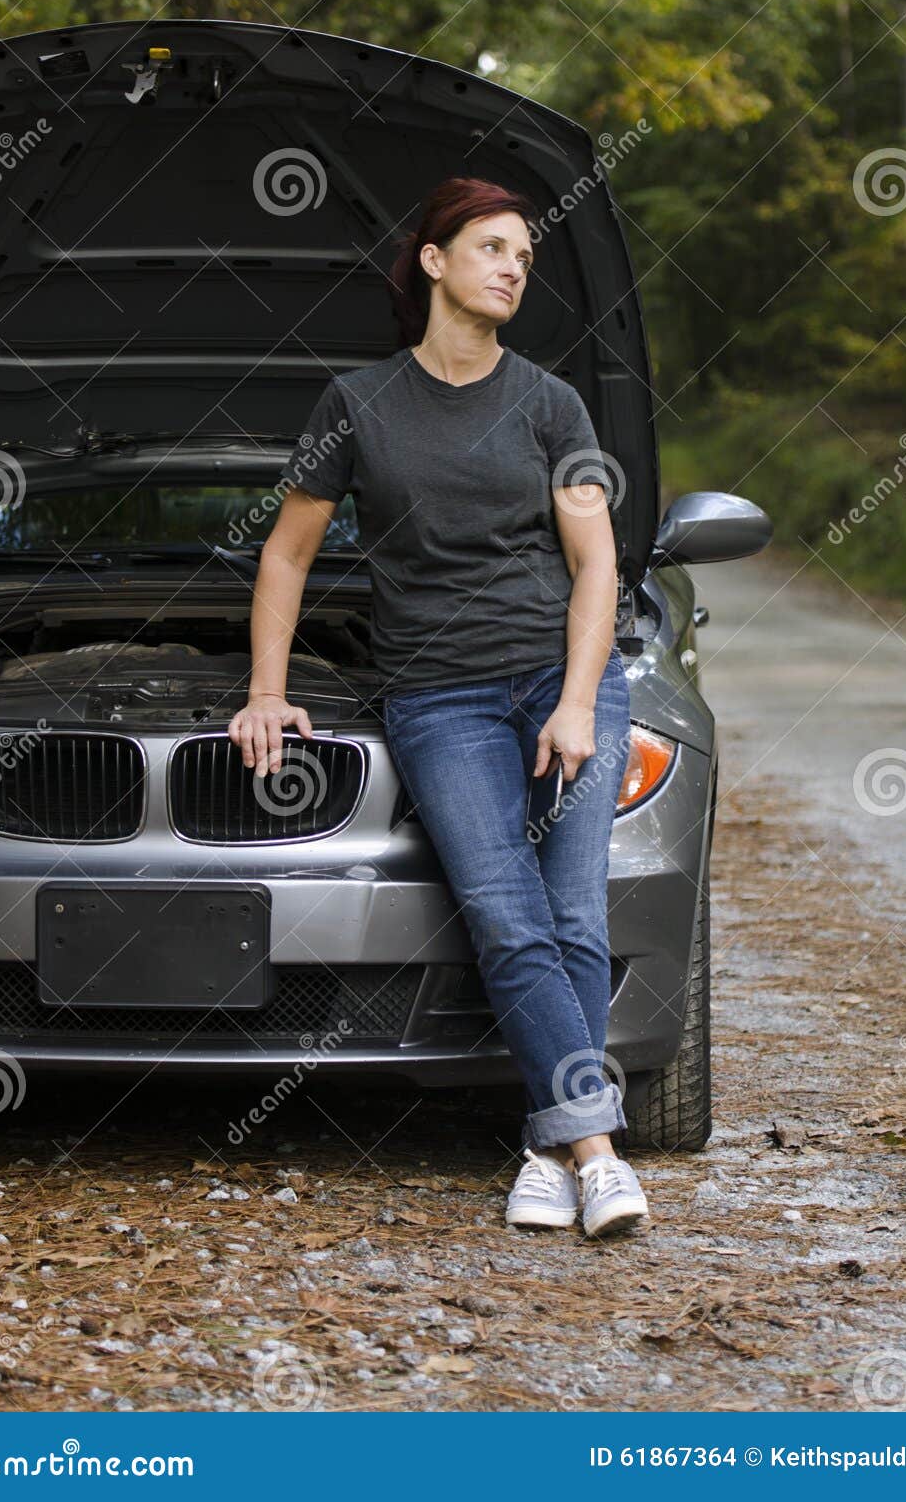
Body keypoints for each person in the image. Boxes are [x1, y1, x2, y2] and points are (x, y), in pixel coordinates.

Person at [227, 176, 649, 1239]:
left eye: (525, 257)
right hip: (439, 697)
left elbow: (595, 567)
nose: (513, 267)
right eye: (493, 247)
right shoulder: (355, 403)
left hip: (562, 682)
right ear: (431, 260)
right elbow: (285, 554)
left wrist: (578, 701)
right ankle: (596, 1148)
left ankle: (548, 1147)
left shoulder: (551, 403)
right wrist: (266, 693)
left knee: (572, 918)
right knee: (507, 918)